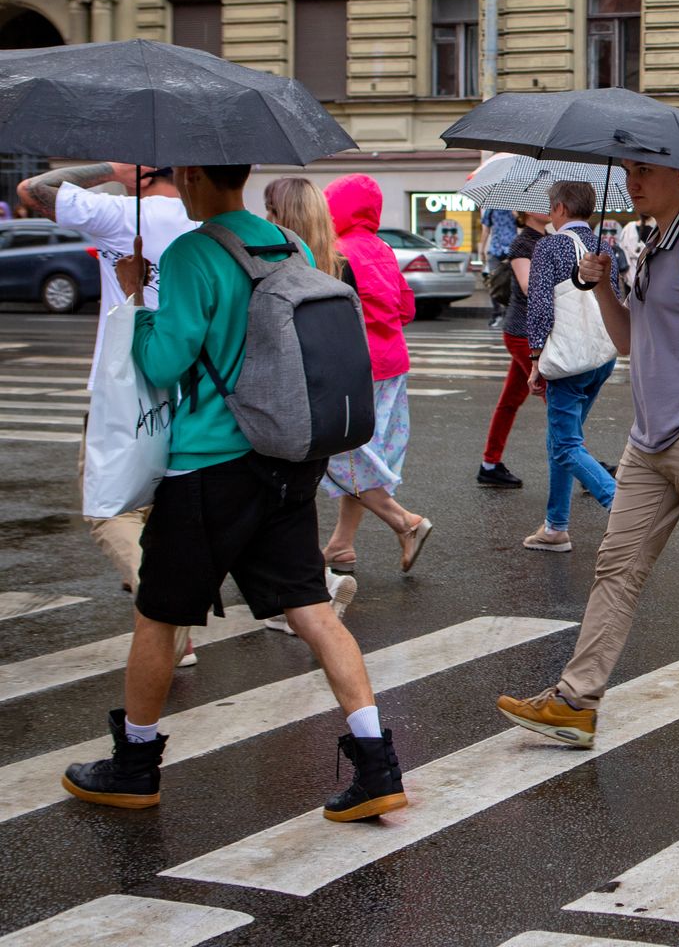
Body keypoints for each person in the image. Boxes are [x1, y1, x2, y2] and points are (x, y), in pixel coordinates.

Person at [60, 164, 408, 822]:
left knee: (160, 617)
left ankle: (134, 766)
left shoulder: (195, 251)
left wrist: (137, 301)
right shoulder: (290, 245)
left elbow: (164, 362)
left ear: (191, 174)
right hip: (284, 459)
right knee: (311, 609)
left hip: (209, 467)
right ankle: (377, 764)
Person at [497, 159, 679, 748]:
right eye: (628, 169)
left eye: (645, 169)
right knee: (616, 569)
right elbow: (629, 341)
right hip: (649, 442)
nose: (632, 180)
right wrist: (600, 283)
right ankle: (576, 701)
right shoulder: (652, 245)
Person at [17, 161, 198, 631]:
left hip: (125, 381)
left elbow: (34, 188)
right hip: (192, 381)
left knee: (109, 507)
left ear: (146, 171)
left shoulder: (123, 214)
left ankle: (164, 612)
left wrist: (112, 170)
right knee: (172, 503)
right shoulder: (209, 222)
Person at [256, 179, 363, 629]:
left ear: (279, 216)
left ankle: (303, 592)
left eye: (267, 210)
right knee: (296, 500)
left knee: (266, 504)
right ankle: (305, 589)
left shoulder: (269, 266)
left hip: (280, 400)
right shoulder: (337, 266)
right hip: (326, 401)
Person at [311, 176, 430, 578]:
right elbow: (407, 309)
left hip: (357, 367)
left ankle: (405, 522)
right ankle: (341, 546)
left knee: (342, 455)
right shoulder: (382, 249)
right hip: (393, 362)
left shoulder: (337, 253)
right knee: (366, 453)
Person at [523, 180, 622, 552]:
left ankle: (619, 504)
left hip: (568, 361)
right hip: (600, 357)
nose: (549, 213)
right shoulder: (604, 247)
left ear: (561, 209)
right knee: (561, 441)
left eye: (551, 207)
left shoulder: (548, 247)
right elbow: (615, 300)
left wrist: (535, 360)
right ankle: (555, 526)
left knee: (565, 445)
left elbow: (541, 307)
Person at [480, 209, 547, 489]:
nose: (550, 206)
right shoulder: (523, 243)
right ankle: (584, 466)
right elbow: (528, 285)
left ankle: (490, 464)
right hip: (522, 333)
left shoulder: (546, 239)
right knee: (557, 401)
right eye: (542, 201)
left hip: (529, 332)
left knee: (510, 401)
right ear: (525, 209)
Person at [483, 206, 518, 329]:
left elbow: (522, 223)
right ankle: (497, 312)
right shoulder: (491, 209)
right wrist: (482, 249)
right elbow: (486, 229)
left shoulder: (515, 208)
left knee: (513, 282)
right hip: (495, 248)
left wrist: (516, 214)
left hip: (512, 248)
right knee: (494, 281)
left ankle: (509, 311)